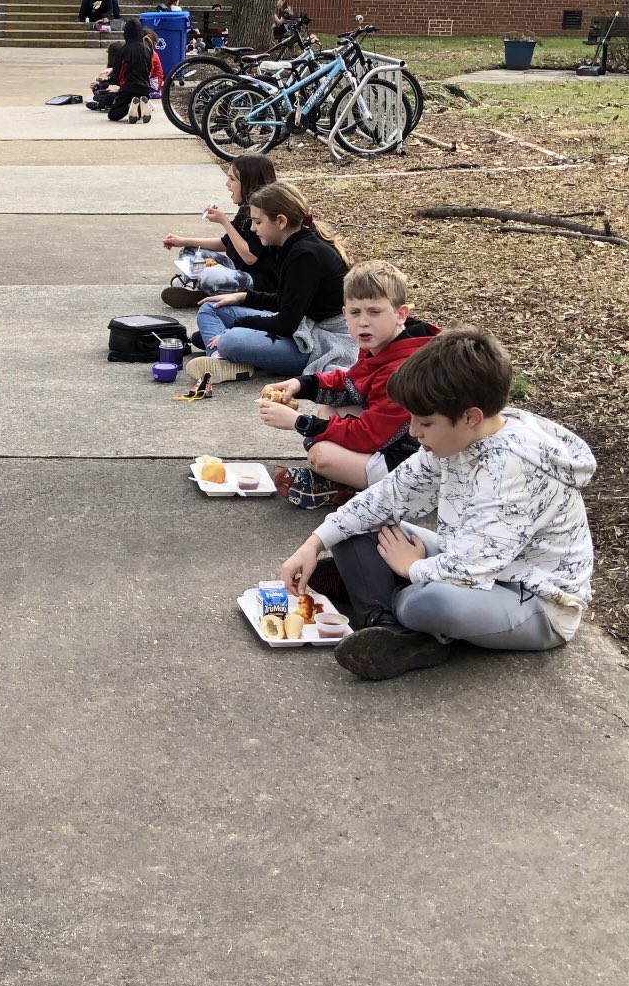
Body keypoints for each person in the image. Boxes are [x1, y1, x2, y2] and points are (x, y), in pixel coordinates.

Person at [278, 329, 597, 682]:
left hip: (533, 601)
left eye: (425, 422)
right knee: (356, 527)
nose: (414, 432)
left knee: (426, 603)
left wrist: (412, 569)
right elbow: (387, 495)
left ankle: (385, 602)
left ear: (470, 417)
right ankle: (389, 629)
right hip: (466, 559)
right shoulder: (454, 438)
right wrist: (314, 542)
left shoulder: (514, 469)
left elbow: (472, 569)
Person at [255, 260, 440, 508]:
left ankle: (357, 492)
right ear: (344, 315)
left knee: (321, 456)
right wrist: (302, 384)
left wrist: (298, 423)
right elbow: (350, 382)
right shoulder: (384, 344)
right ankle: (349, 482)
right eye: (355, 313)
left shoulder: (403, 370)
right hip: (397, 440)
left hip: (420, 468)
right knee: (328, 411)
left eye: (374, 312)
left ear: (401, 314)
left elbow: (369, 436)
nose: (363, 322)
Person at [184, 183, 354, 390]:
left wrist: (238, 324)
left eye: (258, 222)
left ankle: (227, 352)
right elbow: (286, 301)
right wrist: (244, 297)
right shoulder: (292, 245)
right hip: (303, 327)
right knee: (211, 308)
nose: (253, 229)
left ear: (281, 221)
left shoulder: (305, 255)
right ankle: (223, 360)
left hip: (322, 342)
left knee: (230, 339)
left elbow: (286, 323)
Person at [160, 155, 278, 306]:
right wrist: (182, 240)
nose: (227, 184)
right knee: (189, 251)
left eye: (232, 179)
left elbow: (251, 257)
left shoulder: (263, 214)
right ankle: (201, 290)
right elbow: (226, 243)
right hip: (236, 268)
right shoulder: (245, 211)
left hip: (258, 280)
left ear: (249, 182)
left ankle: (198, 289)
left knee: (209, 277)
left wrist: (225, 222)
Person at [91, 23, 154, 123]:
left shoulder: (124, 49)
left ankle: (131, 105)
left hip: (128, 87)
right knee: (139, 99)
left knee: (113, 114)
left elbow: (117, 72)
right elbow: (150, 69)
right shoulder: (147, 49)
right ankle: (141, 105)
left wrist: (105, 83)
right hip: (145, 88)